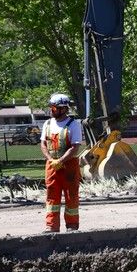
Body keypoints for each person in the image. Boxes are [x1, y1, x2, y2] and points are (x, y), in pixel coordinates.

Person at [39, 93, 82, 232]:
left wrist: (61, 160)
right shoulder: (47, 124)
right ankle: (51, 226)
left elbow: (75, 148)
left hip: (69, 167)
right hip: (52, 166)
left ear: (63, 109)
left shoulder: (73, 125)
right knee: (52, 196)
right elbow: (43, 144)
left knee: (71, 196)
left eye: (54, 108)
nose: (51, 110)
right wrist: (51, 160)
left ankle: (72, 226)